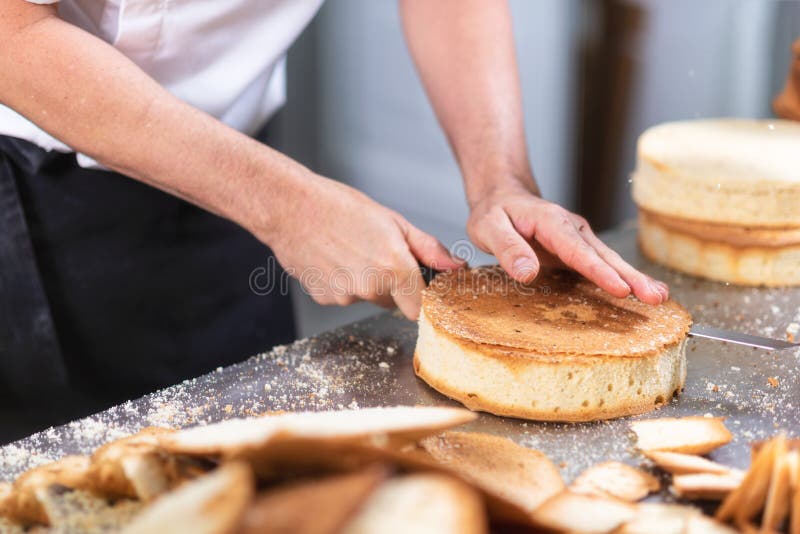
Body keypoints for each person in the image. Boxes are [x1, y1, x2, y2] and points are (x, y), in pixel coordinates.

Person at [0, 0, 668, 442]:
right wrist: (286, 204)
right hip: (38, 174)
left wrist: (502, 179)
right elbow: (12, 32)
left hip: (236, 158)